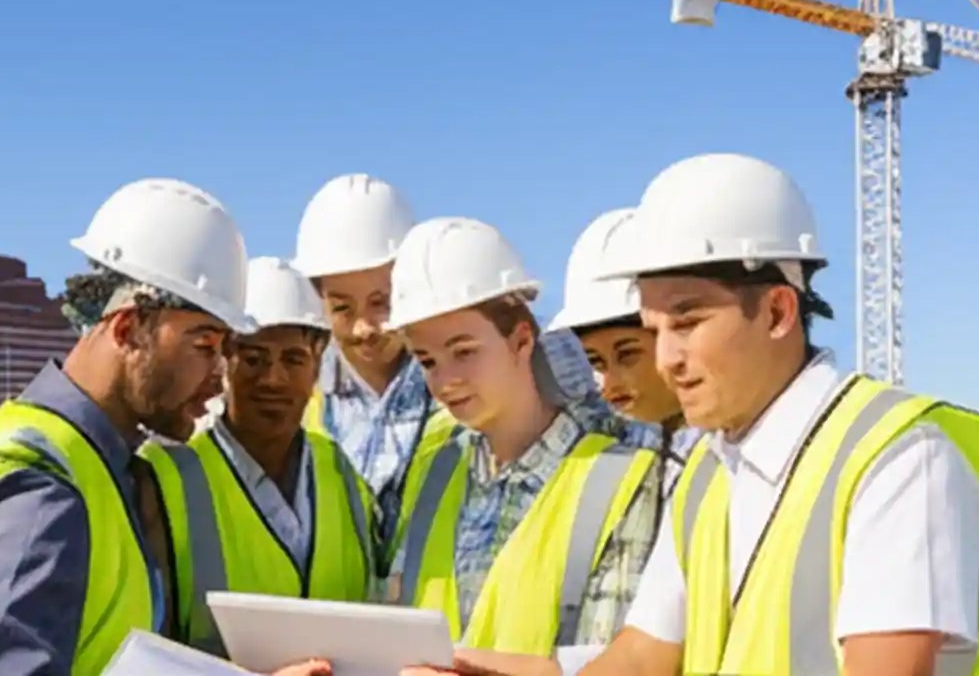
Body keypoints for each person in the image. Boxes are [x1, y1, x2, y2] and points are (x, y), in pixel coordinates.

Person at [572, 153, 979, 676]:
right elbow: (640, 657)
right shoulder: (705, 474)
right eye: (655, 332)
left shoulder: (897, 459)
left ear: (777, 312)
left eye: (688, 322)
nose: (666, 360)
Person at [0, 178, 255, 675]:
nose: (218, 379)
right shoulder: (41, 491)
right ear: (127, 328)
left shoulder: (103, 470)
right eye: (204, 346)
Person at [381, 217, 662, 675]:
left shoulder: (624, 480)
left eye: (464, 351)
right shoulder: (433, 476)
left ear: (521, 341)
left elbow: (615, 661)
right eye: (427, 361)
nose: (446, 380)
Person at [141, 257, 376, 656]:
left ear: (317, 364)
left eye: (293, 359)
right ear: (223, 363)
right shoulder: (166, 472)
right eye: (253, 359)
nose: (273, 378)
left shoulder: (340, 471)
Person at [292, 174, 446, 540]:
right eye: (343, 308)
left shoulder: (456, 385)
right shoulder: (295, 394)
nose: (364, 328)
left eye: (381, 304)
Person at [548, 208, 695, 496]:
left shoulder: (733, 456)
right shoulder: (602, 463)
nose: (609, 383)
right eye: (595, 361)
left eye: (627, 355)